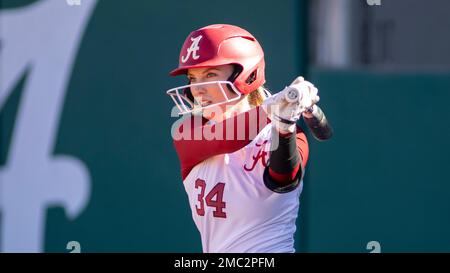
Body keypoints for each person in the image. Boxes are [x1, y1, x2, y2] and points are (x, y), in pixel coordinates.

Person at [166, 24, 320, 253]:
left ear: (247, 76)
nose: (197, 89)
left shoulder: (287, 133)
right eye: (193, 78)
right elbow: (223, 138)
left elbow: (282, 179)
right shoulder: (187, 131)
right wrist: (272, 109)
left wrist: (284, 124)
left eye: (209, 75)